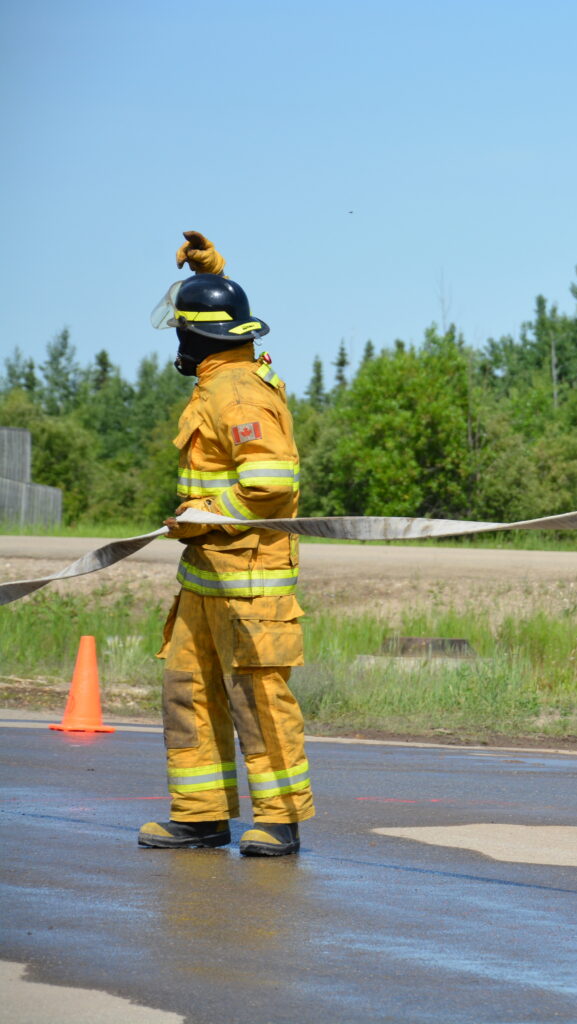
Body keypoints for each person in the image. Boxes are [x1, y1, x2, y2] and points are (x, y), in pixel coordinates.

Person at [136, 231, 314, 856]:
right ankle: (201, 816)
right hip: (204, 580)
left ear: (197, 338)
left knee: (258, 701)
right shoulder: (222, 379)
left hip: (248, 585)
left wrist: (203, 517)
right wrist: (209, 278)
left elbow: (271, 483)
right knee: (189, 693)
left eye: (182, 329)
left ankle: (280, 820)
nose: (177, 341)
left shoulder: (237, 391)